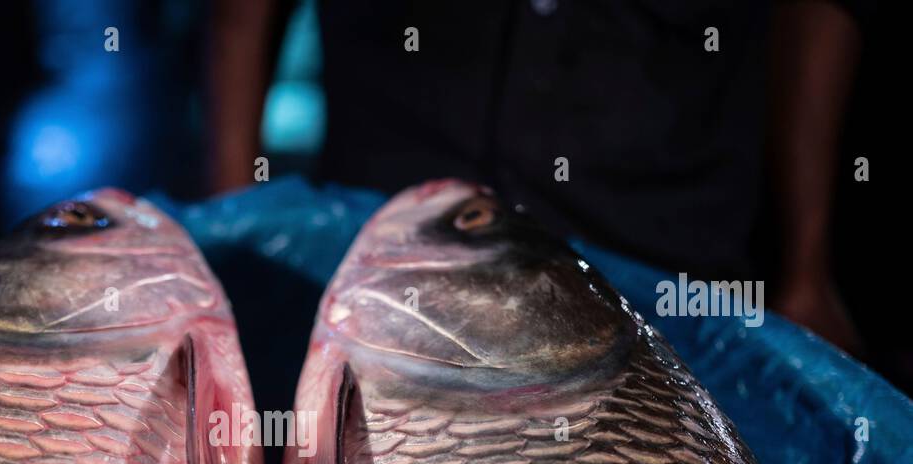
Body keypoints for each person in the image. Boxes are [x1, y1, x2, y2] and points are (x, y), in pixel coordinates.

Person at [208, 0, 866, 354]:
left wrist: (805, 270)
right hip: (379, 266)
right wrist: (231, 227)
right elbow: (241, 15)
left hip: (666, 263)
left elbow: (816, 13)